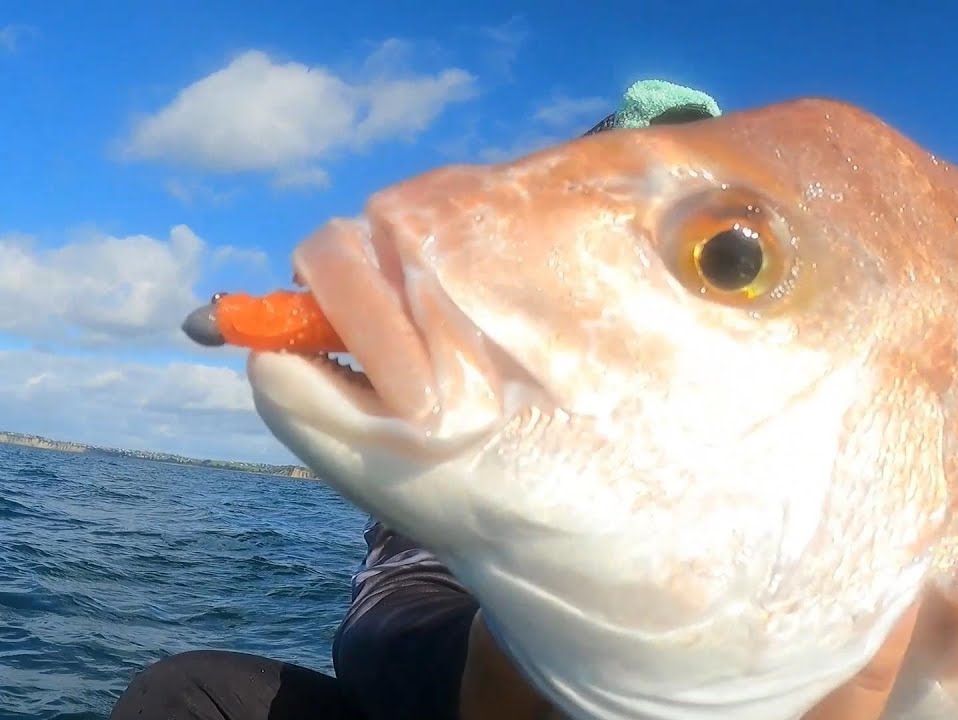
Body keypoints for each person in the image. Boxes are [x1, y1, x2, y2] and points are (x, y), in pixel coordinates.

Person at [107, 80, 722, 720]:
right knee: (186, 694)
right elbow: (400, 602)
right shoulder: (477, 397)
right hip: (446, 661)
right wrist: (509, 645)